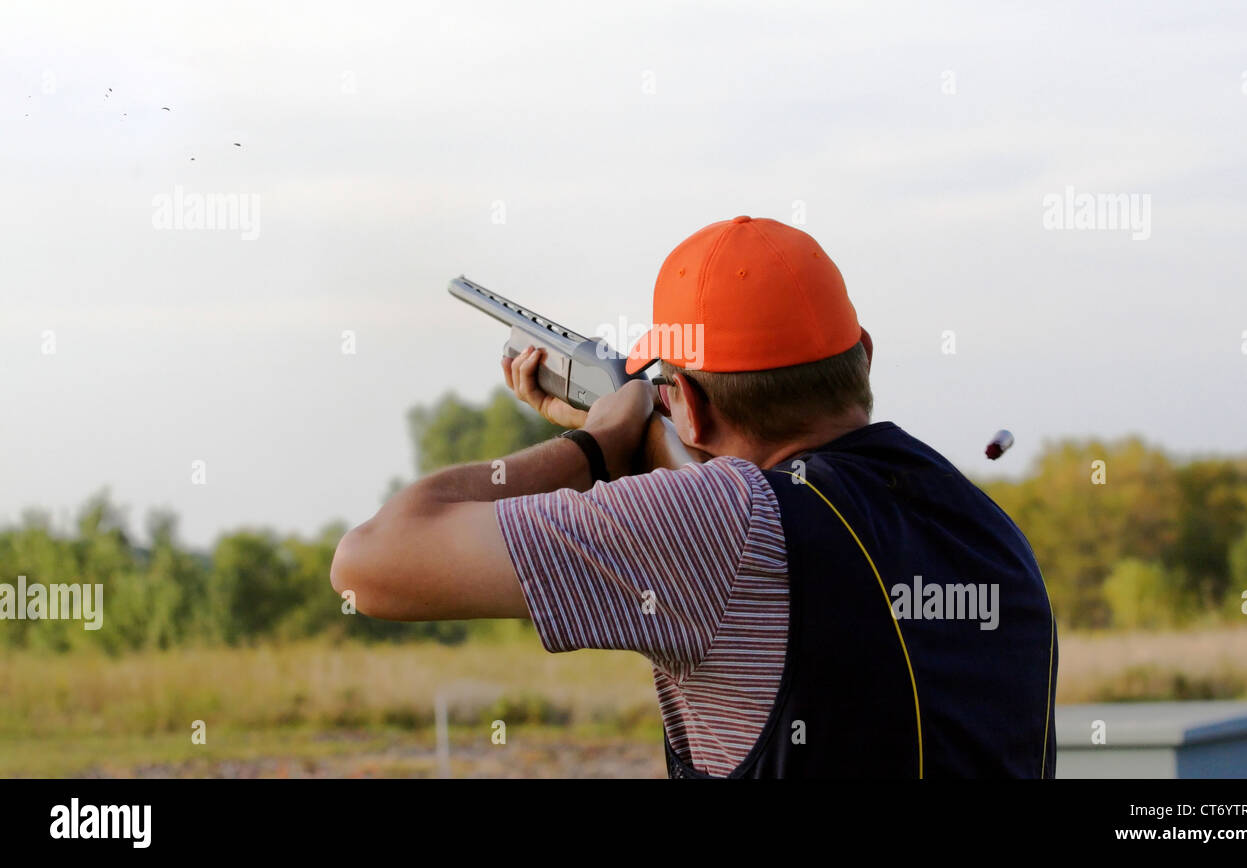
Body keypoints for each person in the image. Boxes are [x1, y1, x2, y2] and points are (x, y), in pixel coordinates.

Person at [331, 215, 1058, 778]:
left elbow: (368, 566)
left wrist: (594, 447)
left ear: (689, 406)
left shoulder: (725, 523)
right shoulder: (987, 529)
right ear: (862, 355)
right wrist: (641, 439)